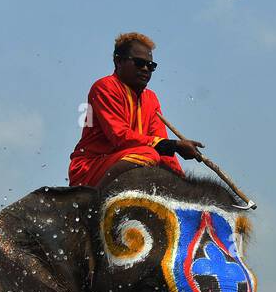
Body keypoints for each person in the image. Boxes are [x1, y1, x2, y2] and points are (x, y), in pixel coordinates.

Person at [68, 32, 205, 188]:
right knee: (149, 154)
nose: (146, 69)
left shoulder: (151, 98)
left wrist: (183, 184)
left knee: (162, 165)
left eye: (151, 66)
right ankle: (95, 200)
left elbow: (162, 146)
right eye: (139, 63)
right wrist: (175, 146)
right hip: (90, 167)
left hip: (133, 160)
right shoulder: (105, 87)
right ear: (118, 61)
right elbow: (121, 137)